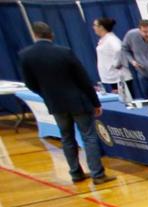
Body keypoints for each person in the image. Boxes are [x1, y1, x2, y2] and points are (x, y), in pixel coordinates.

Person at [19, 22, 114, 184]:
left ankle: (75, 173)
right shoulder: (64, 52)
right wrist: (95, 102)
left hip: (55, 104)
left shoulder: (25, 55)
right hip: (78, 102)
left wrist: (46, 94)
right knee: (89, 137)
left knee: (67, 138)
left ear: (34, 35)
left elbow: (30, 83)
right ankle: (97, 174)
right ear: (51, 34)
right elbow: (83, 80)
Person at [93, 18, 132, 97]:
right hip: (112, 77)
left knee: (126, 101)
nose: (93, 27)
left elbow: (118, 49)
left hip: (119, 77)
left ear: (101, 27)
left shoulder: (111, 39)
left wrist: (116, 63)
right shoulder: (104, 39)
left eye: (95, 25)